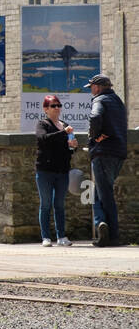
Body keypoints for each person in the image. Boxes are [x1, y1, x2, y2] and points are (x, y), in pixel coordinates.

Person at [86, 73, 128, 247]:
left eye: (92, 88)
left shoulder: (99, 100)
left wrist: (94, 136)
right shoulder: (118, 102)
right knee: (98, 193)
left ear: (98, 87)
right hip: (119, 153)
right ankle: (101, 222)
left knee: (106, 195)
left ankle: (113, 235)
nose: (91, 91)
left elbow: (95, 117)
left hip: (103, 153)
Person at [35, 94, 76, 247]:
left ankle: (61, 237)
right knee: (45, 204)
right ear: (46, 109)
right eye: (53, 106)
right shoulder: (42, 124)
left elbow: (68, 148)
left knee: (59, 204)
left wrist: (73, 146)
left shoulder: (65, 124)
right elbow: (43, 139)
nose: (57, 108)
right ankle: (46, 237)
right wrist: (64, 133)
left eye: (59, 105)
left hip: (62, 170)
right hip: (45, 170)